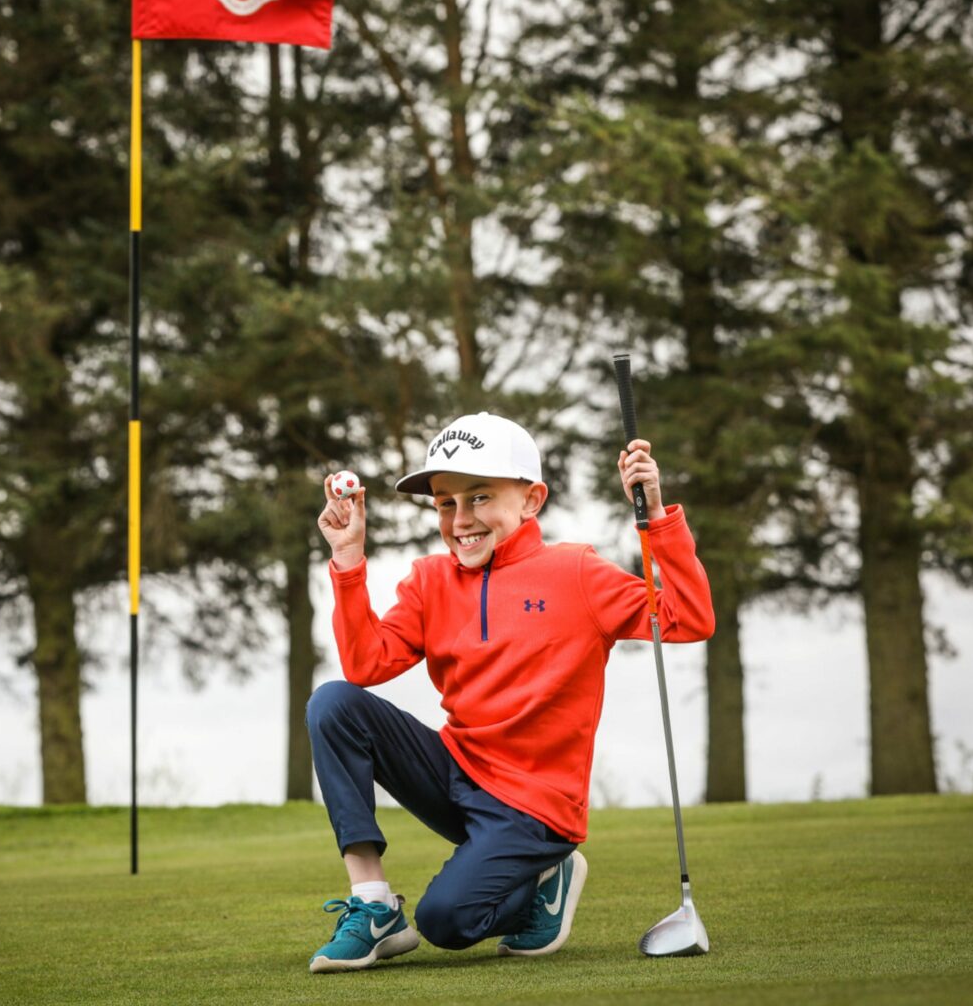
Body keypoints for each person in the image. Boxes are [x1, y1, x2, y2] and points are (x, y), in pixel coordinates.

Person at [305, 411, 716, 973]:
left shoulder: (576, 572)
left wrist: (659, 517)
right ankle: (374, 904)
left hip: (535, 806)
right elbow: (365, 663)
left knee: (445, 923)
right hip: (458, 772)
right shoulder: (429, 580)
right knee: (334, 704)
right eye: (446, 503)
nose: (461, 519)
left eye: (479, 497)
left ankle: (550, 875)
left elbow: (688, 618)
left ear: (531, 500)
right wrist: (348, 558)